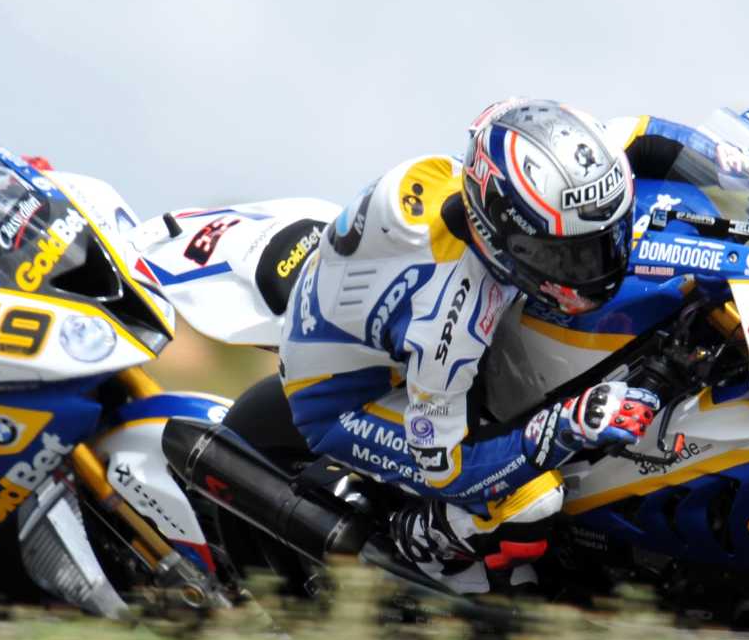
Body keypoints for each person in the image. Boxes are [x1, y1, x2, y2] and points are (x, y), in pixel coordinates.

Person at [263, 98, 662, 587]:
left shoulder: (517, 191)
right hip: (347, 396)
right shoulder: (449, 325)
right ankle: (421, 534)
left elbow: (641, 133)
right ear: (501, 238)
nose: (592, 269)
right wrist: (564, 427)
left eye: (602, 241)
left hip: (372, 301)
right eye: (566, 256)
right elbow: (445, 465)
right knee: (534, 500)